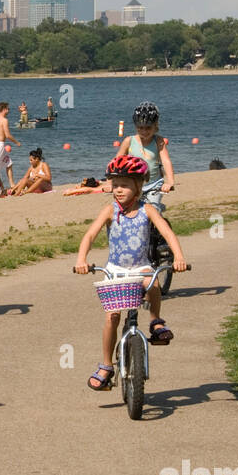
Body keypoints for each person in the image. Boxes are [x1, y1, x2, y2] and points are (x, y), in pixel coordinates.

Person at [72, 155, 187, 392]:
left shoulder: (148, 209)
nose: (118, 190)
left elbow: (167, 233)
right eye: (115, 185)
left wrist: (179, 257)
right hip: (115, 269)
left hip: (141, 266)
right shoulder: (109, 211)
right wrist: (81, 259)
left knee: (152, 282)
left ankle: (155, 322)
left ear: (139, 186)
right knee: (111, 317)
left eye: (124, 185)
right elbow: (90, 235)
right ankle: (106, 365)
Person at [116, 101, 175, 210]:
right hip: (133, 184)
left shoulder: (158, 141)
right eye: (140, 128)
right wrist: (110, 182)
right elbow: (117, 163)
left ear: (155, 126)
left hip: (154, 185)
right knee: (129, 211)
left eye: (148, 128)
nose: (144, 131)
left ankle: (158, 212)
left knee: (153, 211)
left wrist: (170, 181)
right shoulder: (129, 141)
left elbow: (166, 161)